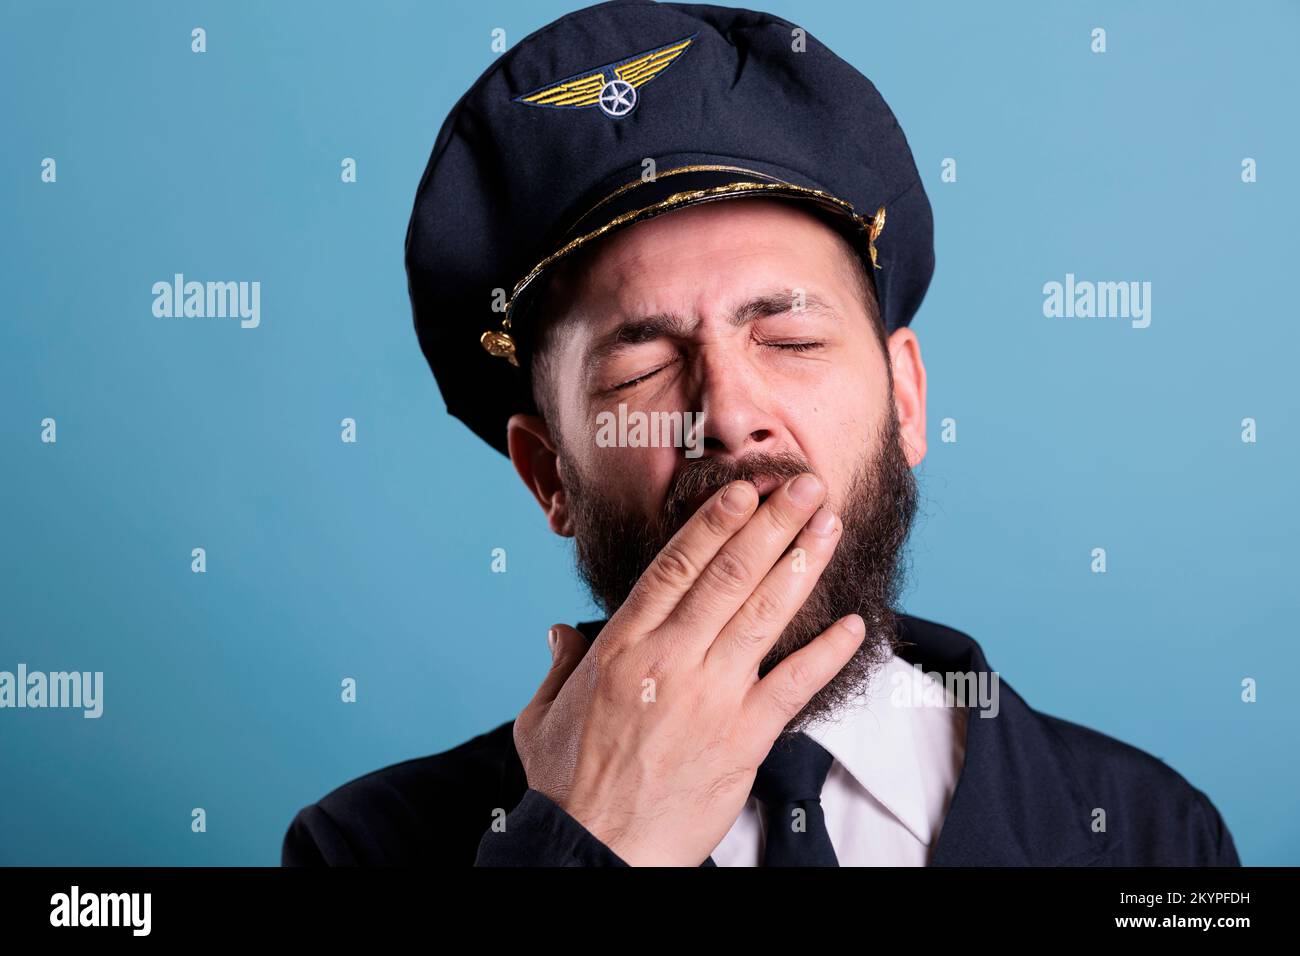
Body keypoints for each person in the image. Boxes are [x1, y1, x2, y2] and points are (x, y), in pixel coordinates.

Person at [282, 0, 1239, 867]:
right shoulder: (363, 852)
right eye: (641, 367)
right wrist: (590, 846)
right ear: (549, 477)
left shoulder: (1155, 838)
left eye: (790, 337)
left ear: (907, 399)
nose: (730, 414)